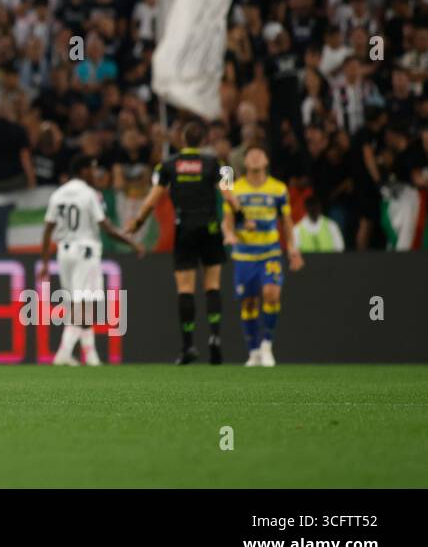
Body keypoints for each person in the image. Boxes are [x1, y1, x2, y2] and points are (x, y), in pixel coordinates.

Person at [127, 121, 232, 364]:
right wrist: (240, 215)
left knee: (185, 288)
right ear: (204, 141)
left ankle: (188, 346)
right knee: (212, 285)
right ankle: (215, 337)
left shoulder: (168, 165)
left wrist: (138, 222)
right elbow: (229, 194)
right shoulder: (214, 164)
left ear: (183, 140)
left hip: (184, 228)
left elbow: (152, 199)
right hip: (211, 228)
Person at [39, 155, 144, 366]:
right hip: (84, 251)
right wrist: (132, 243)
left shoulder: (58, 194)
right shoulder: (89, 195)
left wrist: (44, 262)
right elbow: (106, 227)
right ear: (83, 170)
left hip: (64, 252)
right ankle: (64, 352)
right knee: (83, 304)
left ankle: (91, 354)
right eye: (92, 169)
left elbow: (48, 229)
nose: (95, 173)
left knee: (77, 304)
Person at [222, 147, 304, 366]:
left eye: (260, 153)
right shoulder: (235, 189)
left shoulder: (278, 189)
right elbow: (227, 219)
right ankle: (253, 351)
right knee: (248, 304)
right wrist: (229, 234)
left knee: (271, 294)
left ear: (267, 160)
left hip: (270, 252)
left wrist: (293, 248)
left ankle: (267, 344)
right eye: (251, 154)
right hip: (244, 255)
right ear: (245, 162)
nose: (256, 156)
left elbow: (286, 221)